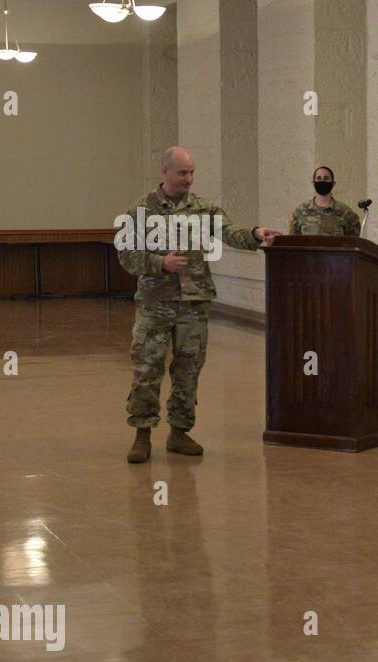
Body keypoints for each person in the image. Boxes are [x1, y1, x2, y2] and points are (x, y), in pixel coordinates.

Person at [118, 146, 281, 463]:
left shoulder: (203, 209)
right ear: (164, 171)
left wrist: (256, 233)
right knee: (147, 369)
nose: (189, 179)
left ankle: (179, 432)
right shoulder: (142, 210)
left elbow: (229, 231)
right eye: (182, 173)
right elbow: (125, 254)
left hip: (193, 303)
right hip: (156, 303)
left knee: (189, 369)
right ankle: (142, 434)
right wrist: (159, 262)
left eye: (192, 173)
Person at [288, 166, 362, 236]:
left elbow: (353, 243)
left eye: (326, 178)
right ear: (313, 183)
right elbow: (293, 242)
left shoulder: (345, 212)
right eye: (318, 178)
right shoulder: (301, 211)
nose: (322, 181)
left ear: (333, 184)